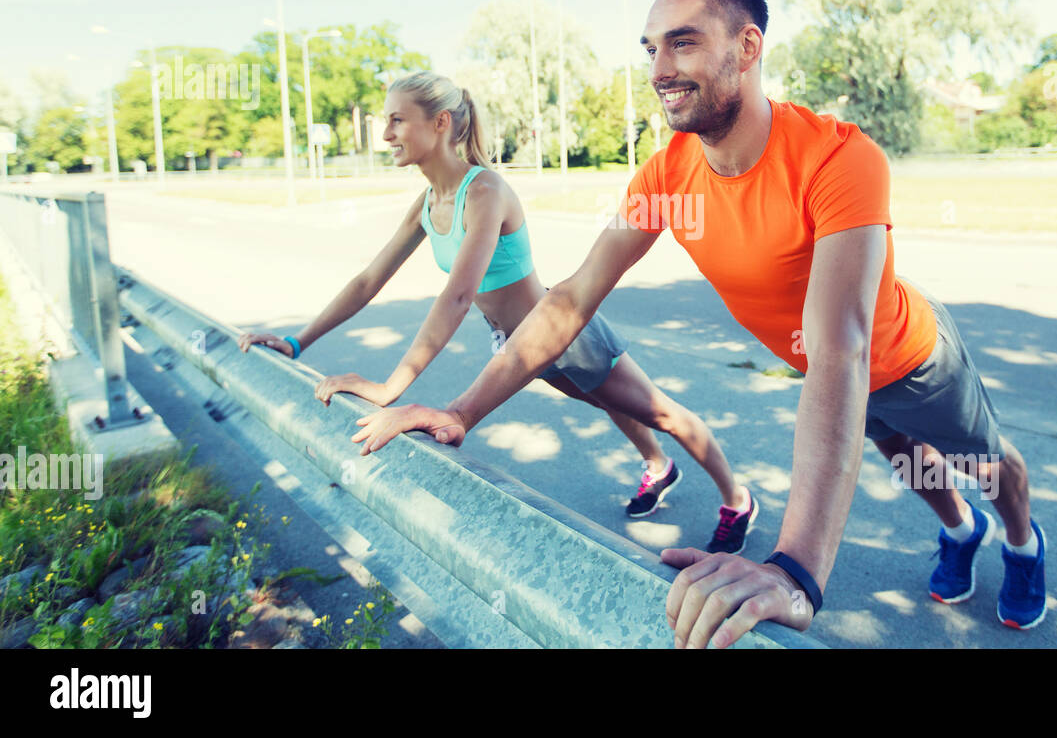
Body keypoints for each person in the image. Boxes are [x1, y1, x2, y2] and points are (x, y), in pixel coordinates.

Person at [352, 0, 1047, 648]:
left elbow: (841, 351)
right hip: (852, 385)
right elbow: (570, 301)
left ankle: (1021, 542)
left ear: (747, 49)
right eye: (651, 48)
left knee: (985, 467)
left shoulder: (839, 158)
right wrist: (457, 412)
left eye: (682, 42)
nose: (659, 68)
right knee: (908, 462)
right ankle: (960, 531)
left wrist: (796, 570)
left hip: (912, 360)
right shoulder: (669, 174)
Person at [237, 71, 755, 553]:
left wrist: (389, 388)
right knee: (608, 402)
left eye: (397, 119)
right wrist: (298, 342)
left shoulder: (483, 191)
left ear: (439, 123)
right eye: (385, 120)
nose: (386, 132)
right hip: (514, 346)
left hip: (561, 335)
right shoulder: (426, 203)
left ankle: (737, 498)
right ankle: (658, 466)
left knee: (661, 412)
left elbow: (458, 296)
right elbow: (368, 280)